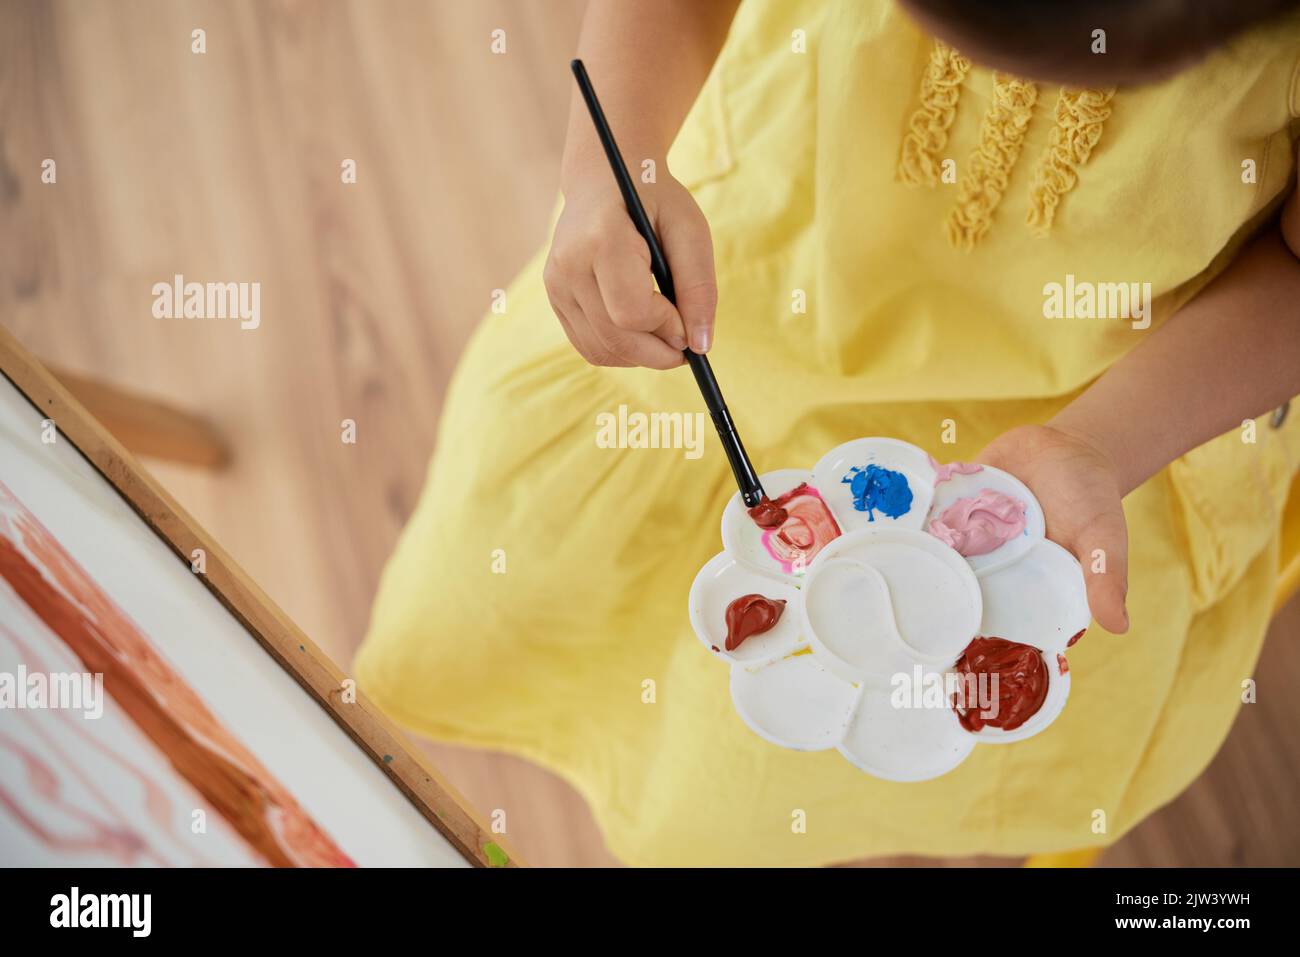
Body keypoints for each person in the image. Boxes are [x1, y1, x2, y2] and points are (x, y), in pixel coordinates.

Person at [355, 0, 1300, 865]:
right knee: (480, 605)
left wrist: (1097, 445)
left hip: (1103, 420)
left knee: (731, 789)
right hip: (740, 293)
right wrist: (613, 168)